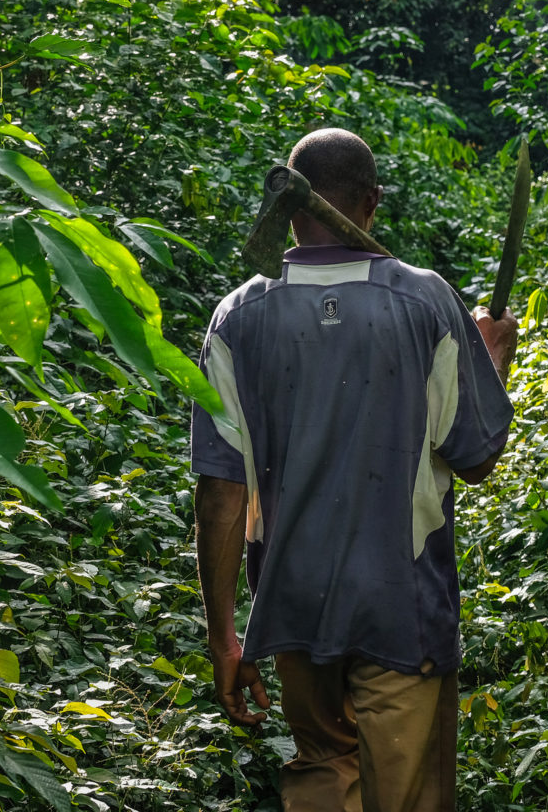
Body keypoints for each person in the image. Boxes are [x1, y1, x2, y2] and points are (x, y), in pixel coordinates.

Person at [190, 127, 519, 812]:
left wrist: (225, 638)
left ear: (288, 210)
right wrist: (491, 358)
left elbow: (222, 492)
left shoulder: (238, 316)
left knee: (323, 775)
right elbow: (477, 458)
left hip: (294, 605)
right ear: (372, 201)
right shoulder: (426, 302)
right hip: (402, 608)